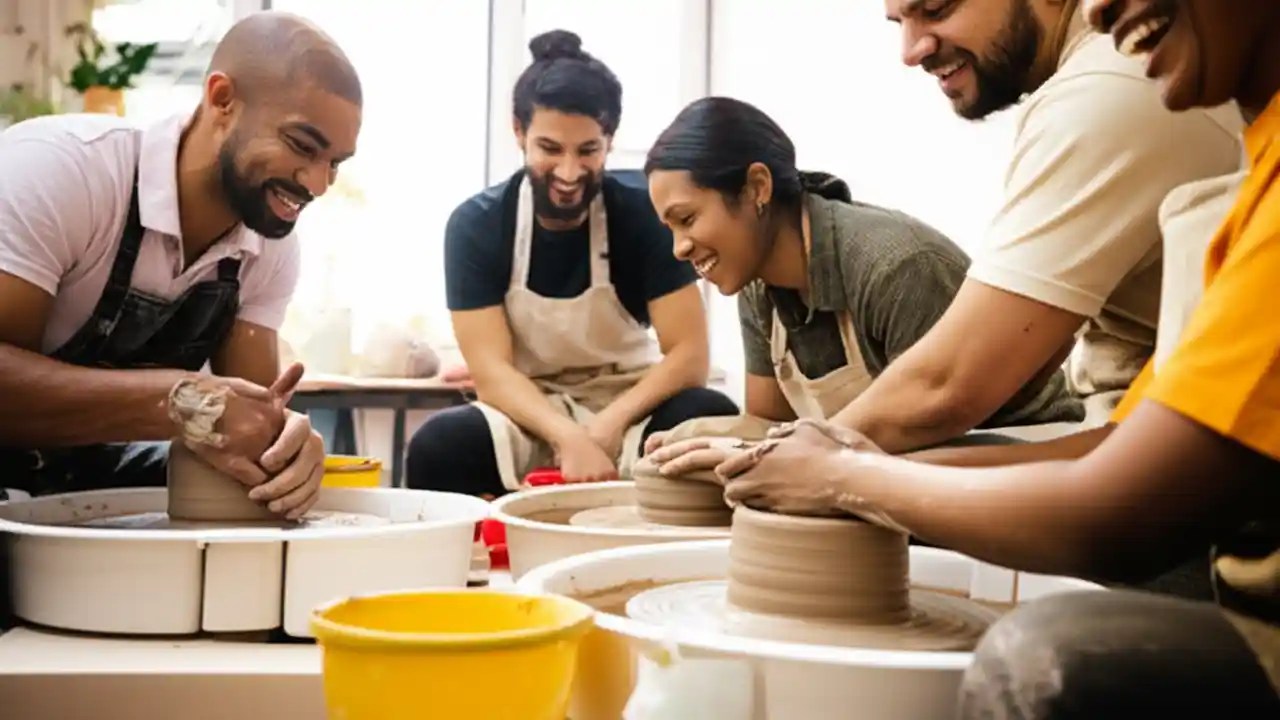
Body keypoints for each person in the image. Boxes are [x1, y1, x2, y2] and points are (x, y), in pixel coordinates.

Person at [710, 0, 1280, 713]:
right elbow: (1118, 447)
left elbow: (969, 402)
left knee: (1043, 660)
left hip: (1203, 550)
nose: (1102, 7)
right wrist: (846, 471)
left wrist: (843, 476)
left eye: (937, 7)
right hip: (1160, 478)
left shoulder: (1111, 94)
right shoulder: (1258, 178)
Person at [815, 0, 1245, 455]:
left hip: (1187, 473)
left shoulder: (1108, 86)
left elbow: (948, 386)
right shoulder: (1092, 82)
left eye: (937, 9)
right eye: (899, 22)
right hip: (1137, 443)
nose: (910, 50)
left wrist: (808, 457)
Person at [0, 11, 362, 520]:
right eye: (302, 146)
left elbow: (251, 428)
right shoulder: (63, 172)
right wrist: (180, 400)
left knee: (246, 500)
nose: (319, 183)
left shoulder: (269, 244)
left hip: (82, 465)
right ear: (222, 101)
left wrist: (285, 449)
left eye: (336, 163)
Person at [642, 96, 1082, 475]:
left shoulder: (895, 267)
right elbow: (767, 422)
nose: (679, 248)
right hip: (891, 464)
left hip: (1021, 460)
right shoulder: (756, 282)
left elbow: (930, 423)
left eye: (687, 220)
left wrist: (759, 454)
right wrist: (697, 442)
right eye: (668, 229)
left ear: (758, 188)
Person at [405, 30, 737, 499]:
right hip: (527, 410)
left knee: (711, 414)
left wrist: (605, 428)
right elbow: (492, 371)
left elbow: (689, 356)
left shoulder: (643, 216)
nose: (568, 172)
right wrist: (567, 437)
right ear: (519, 133)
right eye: (549, 149)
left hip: (627, 404)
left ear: (610, 141)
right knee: (438, 446)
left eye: (587, 150)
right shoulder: (476, 226)